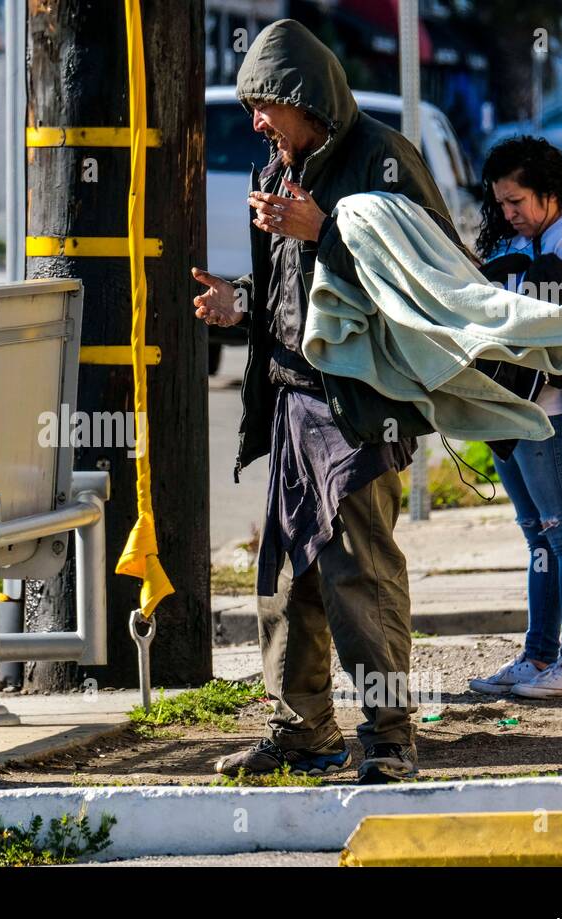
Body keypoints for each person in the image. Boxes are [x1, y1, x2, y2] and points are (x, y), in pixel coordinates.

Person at [192, 20, 457, 784]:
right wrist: (237, 307)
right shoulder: (282, 167)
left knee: (357, 577)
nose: (256, 123)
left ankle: (389, 737)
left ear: (307, 99)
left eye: (266, 105)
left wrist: (327, 227)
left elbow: (426, 280)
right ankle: (302, 733)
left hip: (360, 409)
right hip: (293, 406)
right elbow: (292, 295)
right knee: (285, 580)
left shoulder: (383, 161)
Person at [468, 136, 562, 700]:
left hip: (545, 417)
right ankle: (538, 657)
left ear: (549, 195)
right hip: (515, 415)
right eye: (501, 203)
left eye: (518, 202)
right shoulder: (535, 237)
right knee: (540, 540)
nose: (508, 214)